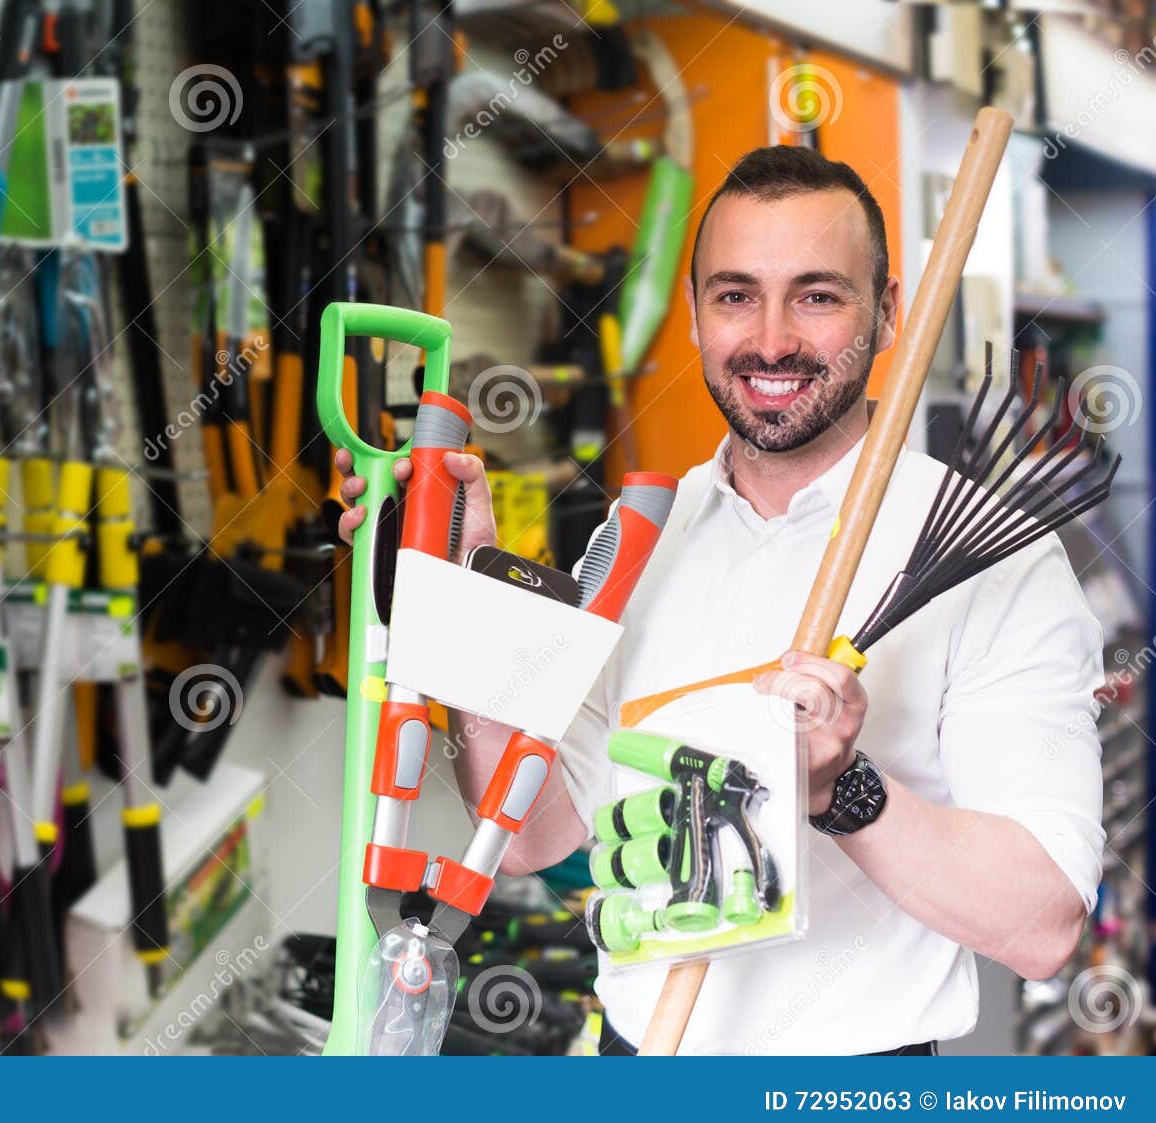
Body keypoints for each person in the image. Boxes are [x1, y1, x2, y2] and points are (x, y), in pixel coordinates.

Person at [334, 146, 1104, 1055]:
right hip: (640, 1059)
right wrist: (467, 599)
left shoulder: (994, 559)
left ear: (890, 313)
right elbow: (537, 830)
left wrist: (841, 791)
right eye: (735, 295)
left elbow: (1042, 924)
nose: (771, 339)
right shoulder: (641, 541)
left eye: (818, 295)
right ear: (696, 316)